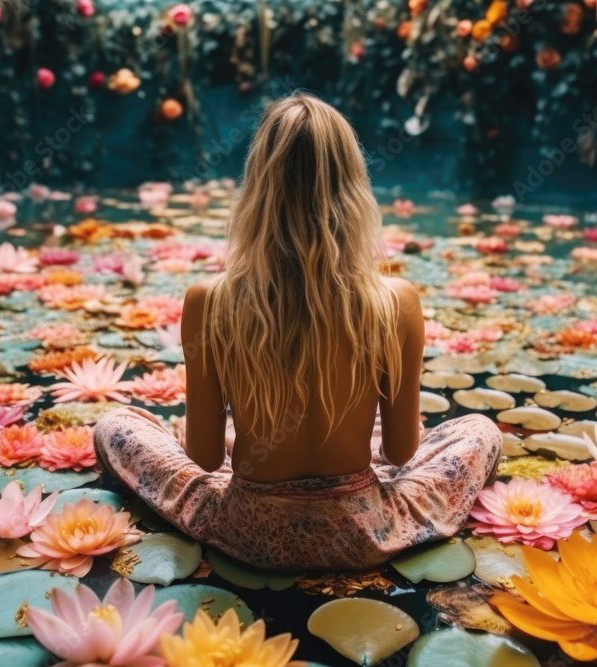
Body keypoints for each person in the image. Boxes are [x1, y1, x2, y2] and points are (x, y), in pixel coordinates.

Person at [95, 93, 502, 570]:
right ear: (353, 188)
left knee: (115, 428)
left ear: (258, 188)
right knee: (480, 432)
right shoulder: (396, 302)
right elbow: (399, 452)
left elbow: (204, 457)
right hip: (361, 531)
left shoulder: (210, 301)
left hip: (249, 532)